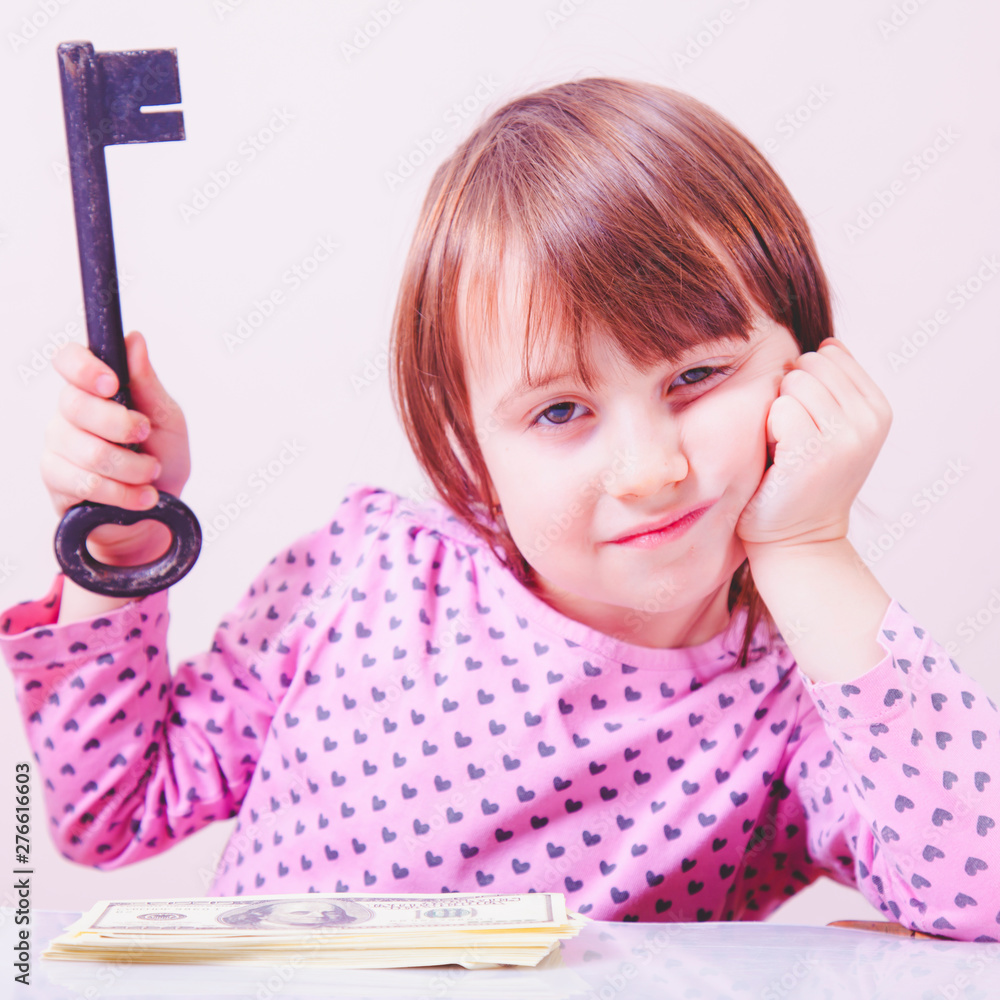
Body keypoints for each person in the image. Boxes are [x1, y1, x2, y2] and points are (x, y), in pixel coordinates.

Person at [3, 77, 997, 940]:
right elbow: (111, 810)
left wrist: (810, 546)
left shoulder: (790, 706)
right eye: (560, 409)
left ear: (808, 365)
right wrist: (124, 543)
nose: (651, 469)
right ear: (467, 445)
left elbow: (982, 891)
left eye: (697, 375)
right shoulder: (366, 573)